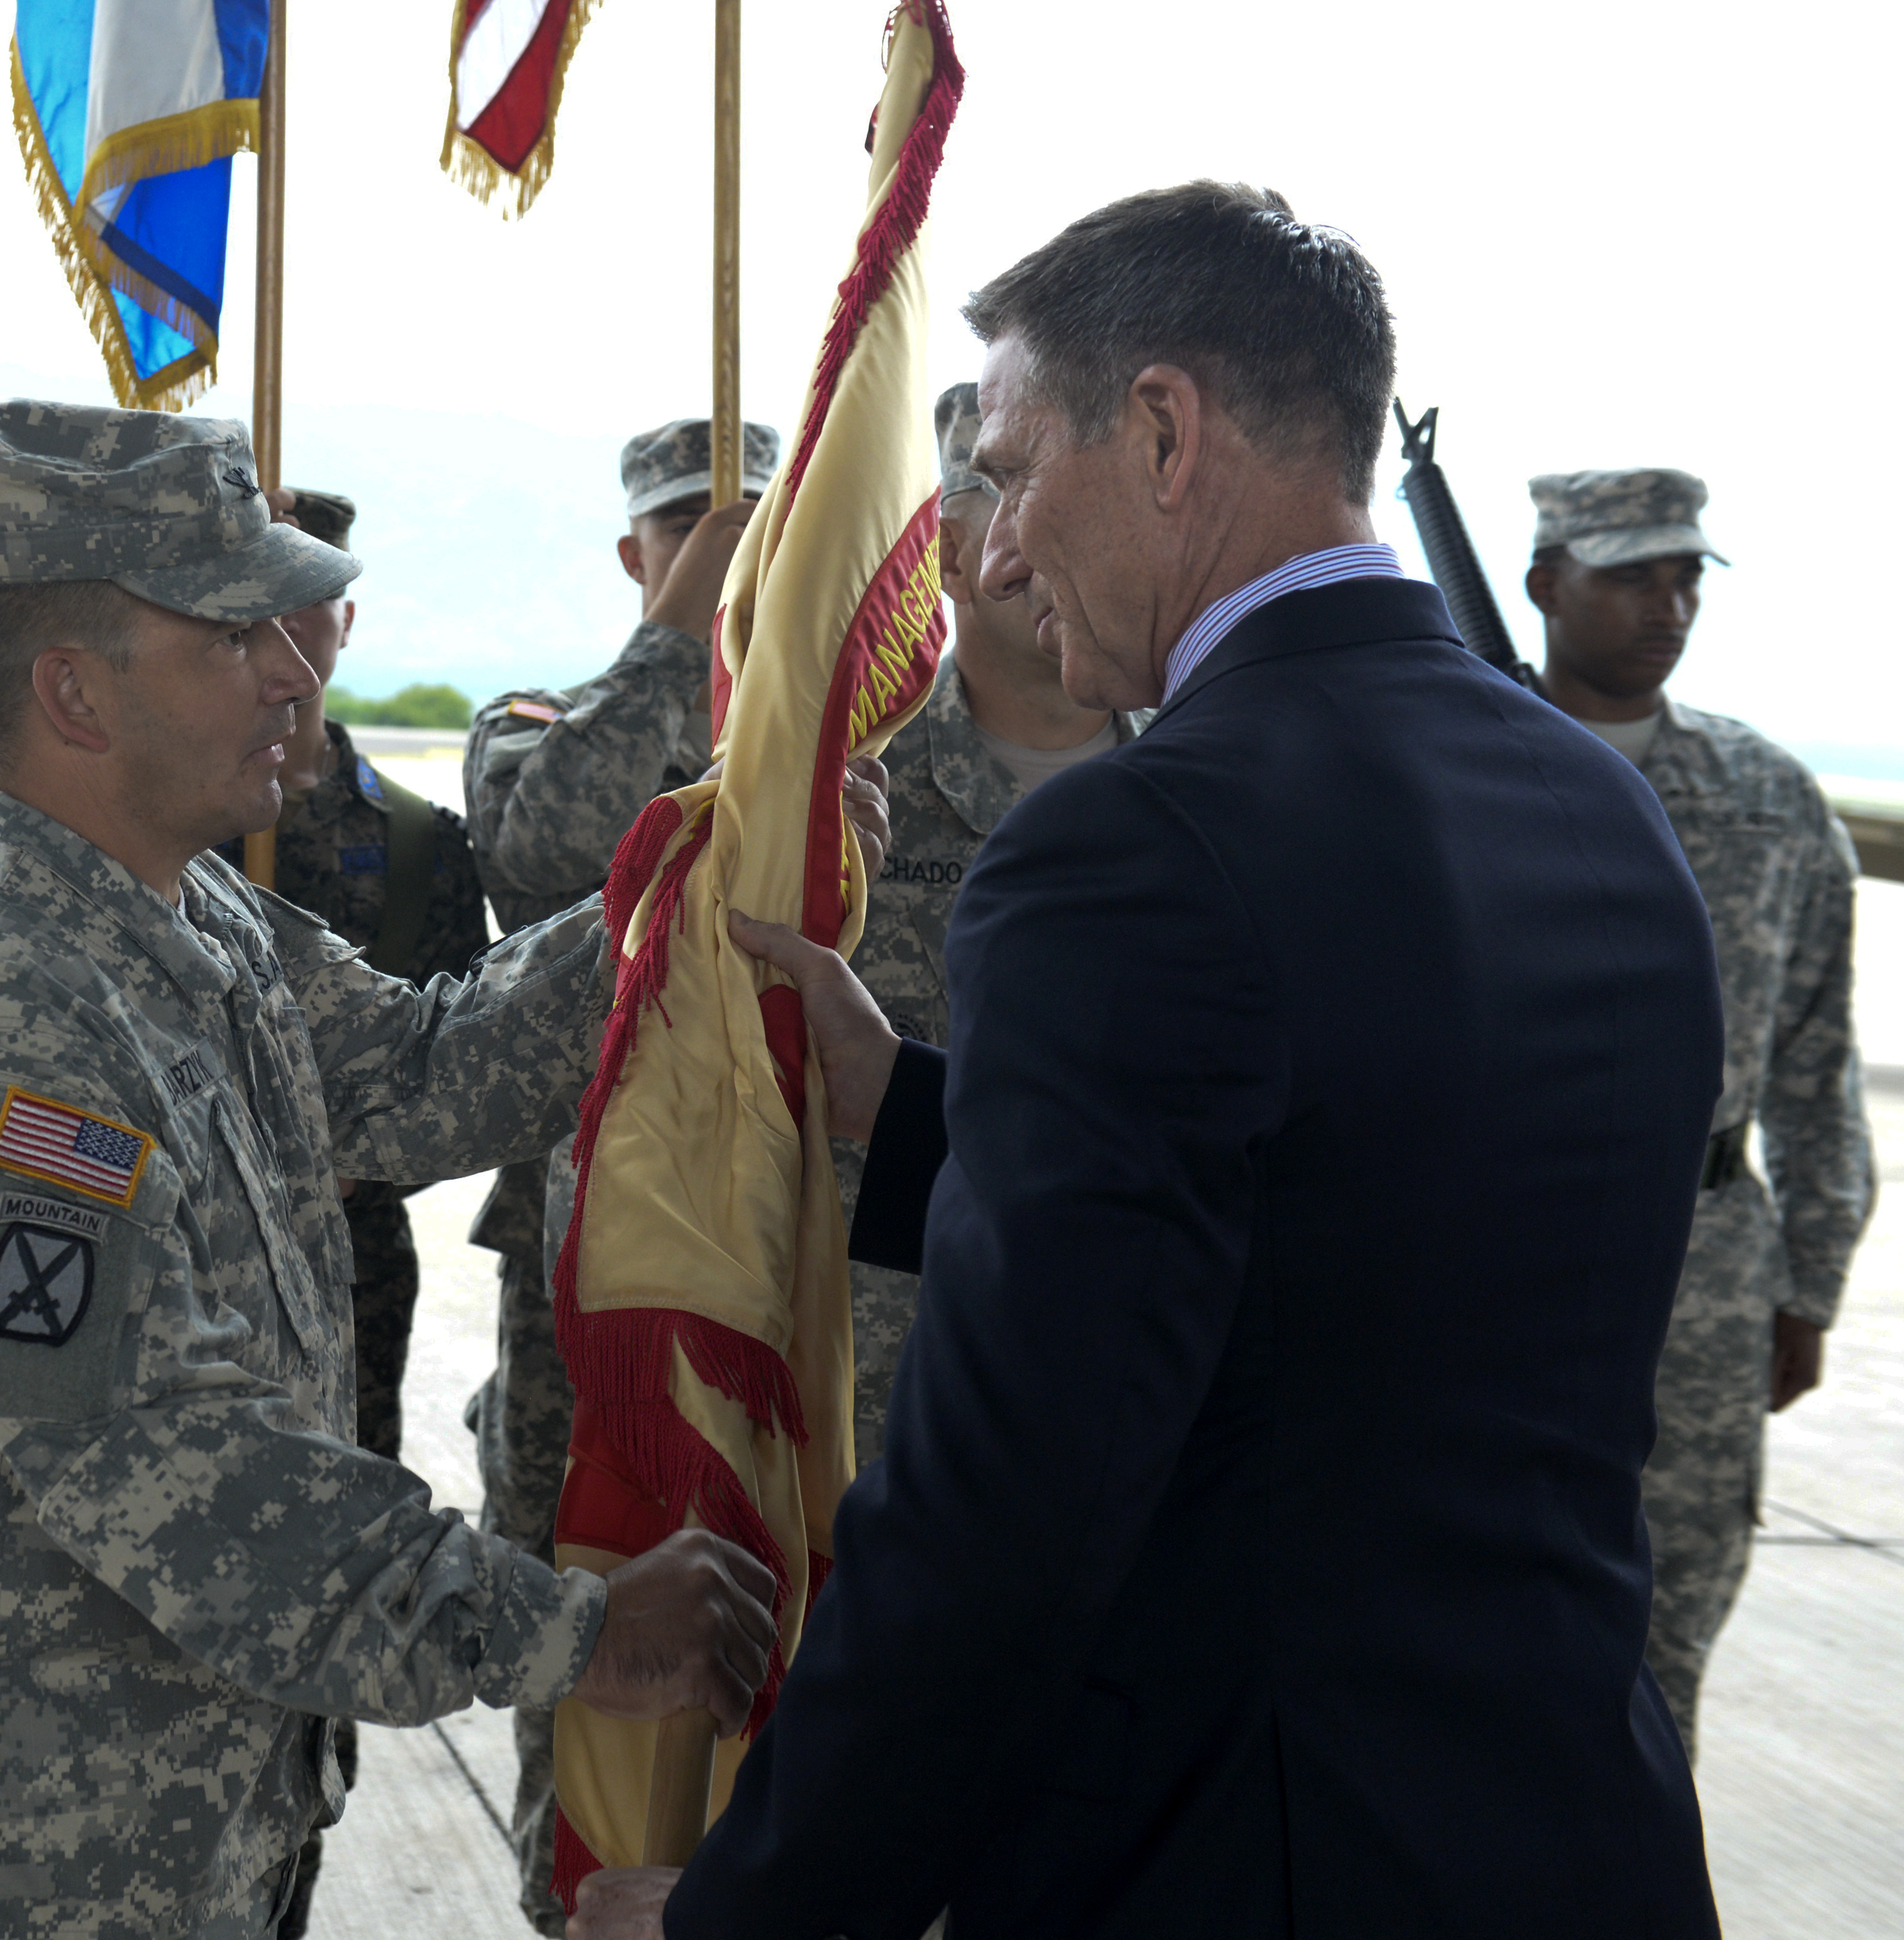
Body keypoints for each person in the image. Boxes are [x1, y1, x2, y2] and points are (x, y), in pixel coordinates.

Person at [574, 181, 1725, 1939]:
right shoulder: (1598, 806)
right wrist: (921, 1127)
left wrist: (755, 1911)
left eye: (1019, 468)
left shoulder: (1135, 846)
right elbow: (1361, 1246)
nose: (1002, 543)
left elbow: (1008, 1510)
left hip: (1248, 1857)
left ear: (1168, 432)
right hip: (1572, 1833)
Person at [0, 402, 893, 1937]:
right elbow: (178, 1479)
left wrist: (693, 890)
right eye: (233, 635)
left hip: (166, 1834)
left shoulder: (174, 913)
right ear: (75, 691)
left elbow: (416, 1072)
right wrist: (569, 1634)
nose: (296, 668)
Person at [460, 417, 778, 1930]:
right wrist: (674, 639)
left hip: (789, 1281)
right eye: (688, 529)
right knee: (581, 1649)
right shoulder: (537, 718)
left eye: (755, 527)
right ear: (632, 552)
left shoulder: (832, 741)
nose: (723, 552)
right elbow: (536, 848)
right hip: (584, 1285)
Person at [1524, 469, 1875, 1756]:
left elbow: (1813, 1055)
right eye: (1631, 574)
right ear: (1542, 583)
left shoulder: (1765, 794)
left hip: (1704, 1261)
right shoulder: (1462, 761)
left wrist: (1808, 1280)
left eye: (1683, 577)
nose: (1667, 604)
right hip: (1493, 1247)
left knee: (1664, 1645)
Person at [242, 487, 494, 1939]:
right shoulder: (162, 823)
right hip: (188, 1259)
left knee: (330, 1577)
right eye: (251, 607)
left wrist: (362, 1159)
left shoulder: (412, 839)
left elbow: (445, 1053)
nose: (287, 635)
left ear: (346, 620)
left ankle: (295, 1872)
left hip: (350, 1270)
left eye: (311, 603)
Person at [833, 383, 1136, 1457]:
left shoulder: (1211, 786)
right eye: (1004, 501)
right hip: (881, 1396)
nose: (1043, 544)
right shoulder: (844, 794)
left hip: (1128, 1375)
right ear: (948, 559)